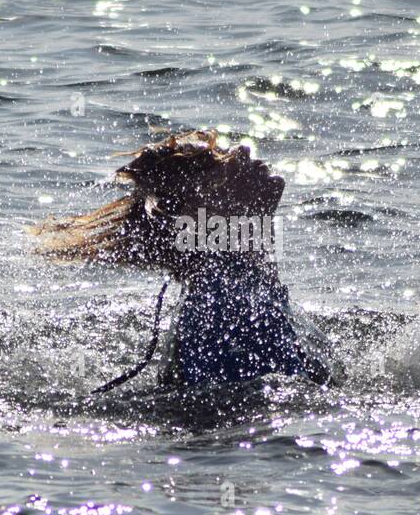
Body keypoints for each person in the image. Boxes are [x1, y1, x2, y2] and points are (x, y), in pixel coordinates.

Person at [32, 130, 336, 390]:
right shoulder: (222, 302)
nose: (241, 151)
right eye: (213, 164)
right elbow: (270, 401)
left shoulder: (237, 284)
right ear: (197, 213)